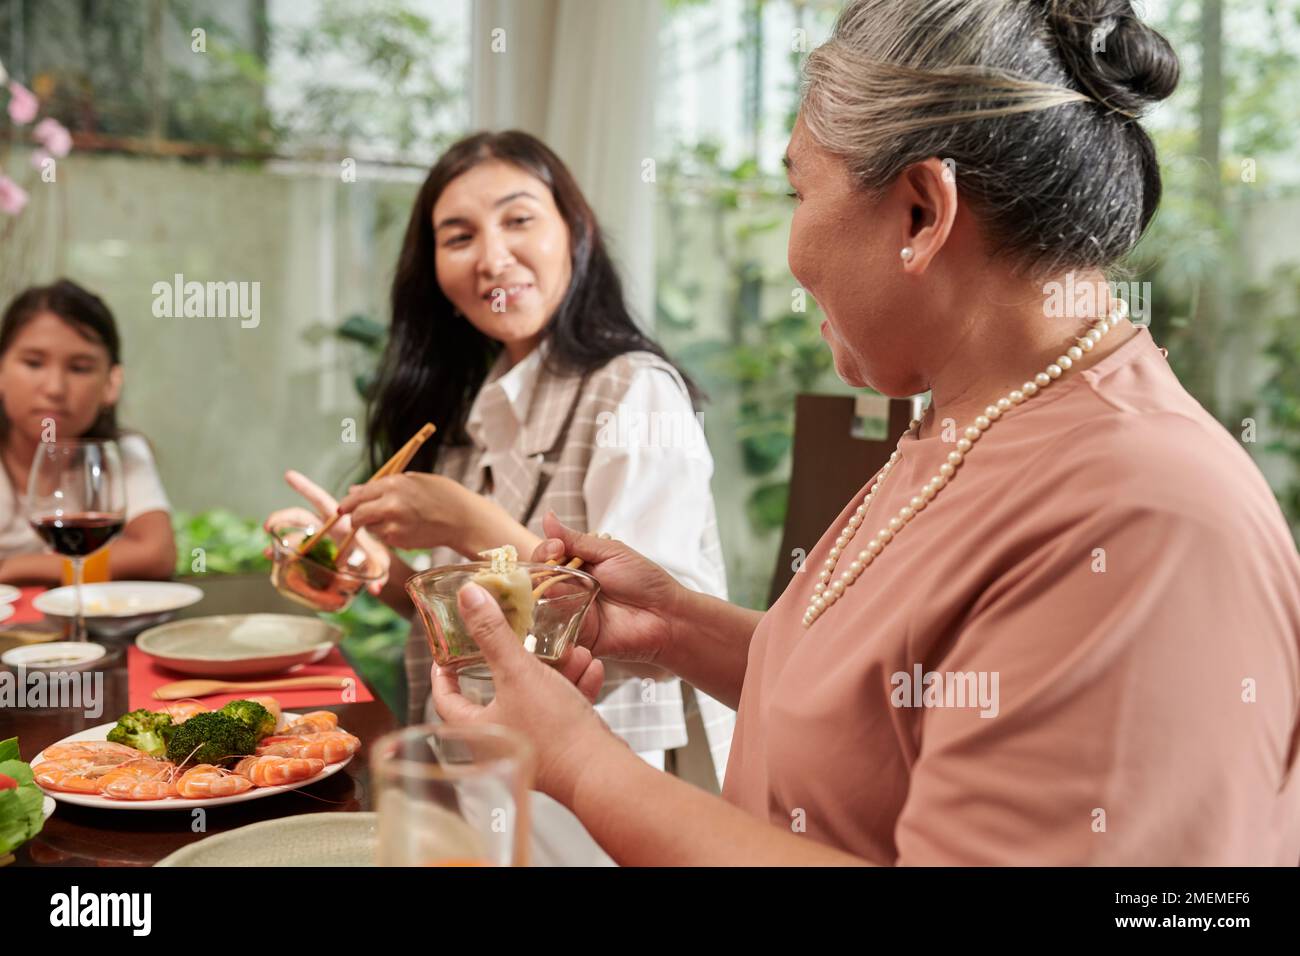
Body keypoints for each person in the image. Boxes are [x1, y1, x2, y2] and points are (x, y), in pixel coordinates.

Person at [431, 0, 1300, 865]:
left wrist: (580, 762)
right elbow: (896, 704)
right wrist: (674, 628)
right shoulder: (967, 419)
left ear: (922, 211)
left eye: (798, 191)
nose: (790, 247)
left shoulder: (1140, 515)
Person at [265, 131, 735, 860]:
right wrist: (365, 564)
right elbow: (471, 615)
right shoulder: (476, 406)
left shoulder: (635, 392)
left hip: (604, 796)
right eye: (459, 237)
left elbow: (659, 635)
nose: (492, 257)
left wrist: (464, 519)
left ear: (574, 234)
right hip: (474, 771)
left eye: (519, 220)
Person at [0, 280, 175, 583]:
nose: (54, 388)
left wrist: (13, 569)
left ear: (111, 383)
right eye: (33, 363)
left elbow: (156, 554)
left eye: (79, 368)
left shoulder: (120, 454)